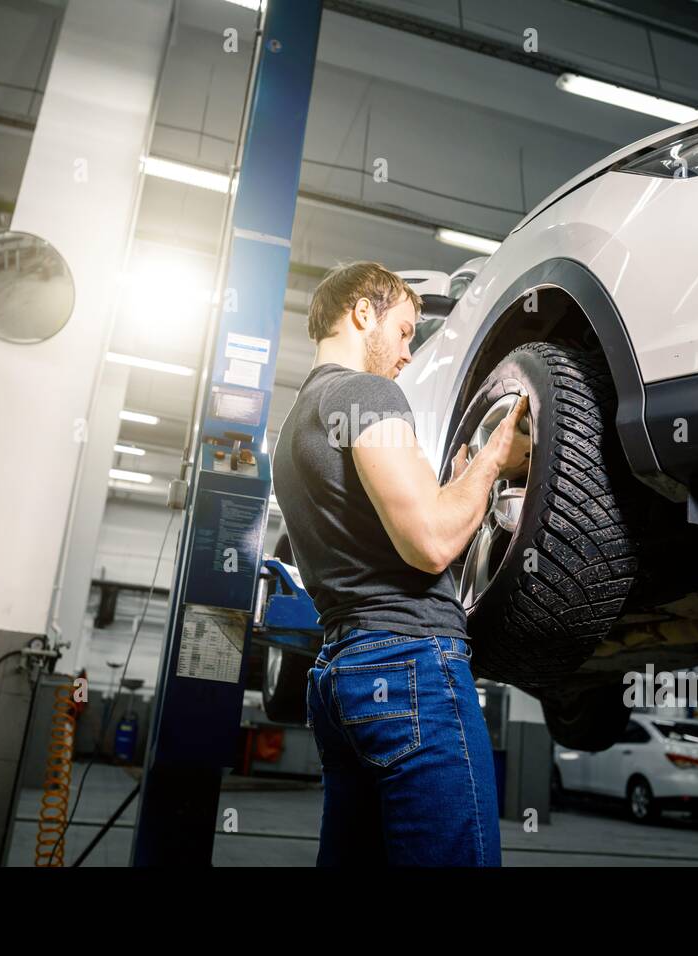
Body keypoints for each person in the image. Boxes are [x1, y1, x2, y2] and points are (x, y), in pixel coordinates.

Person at [271, 260, 529, 866]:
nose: (409, 354)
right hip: (409, 663)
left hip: (342, 676)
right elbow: (432, 542)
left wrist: (459, 483)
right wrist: (492, 461)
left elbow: (392, 535)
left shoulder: (293, 430)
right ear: (363, 313)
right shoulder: (364, 393)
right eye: (407, 330)